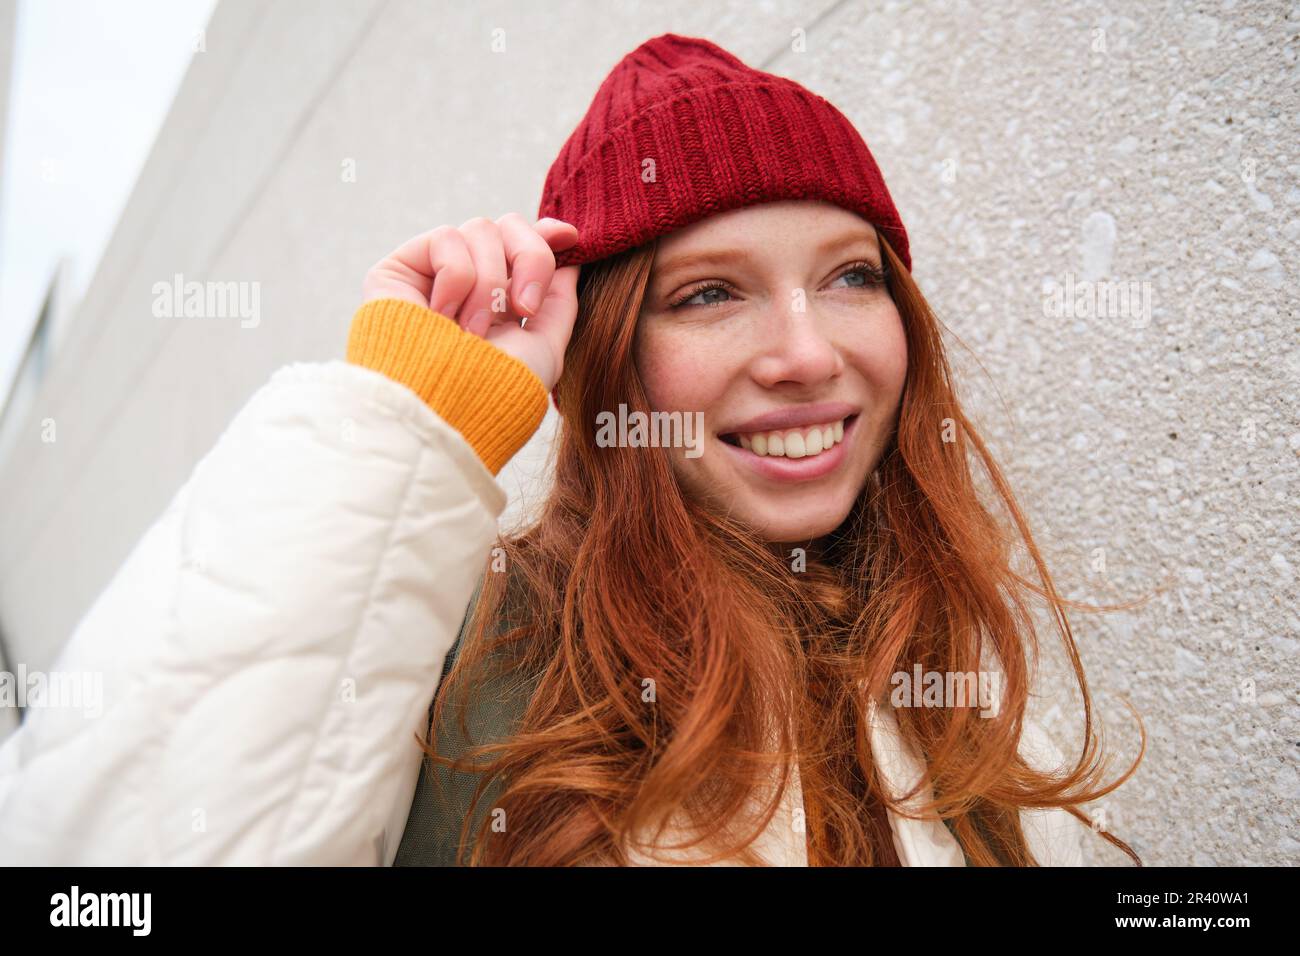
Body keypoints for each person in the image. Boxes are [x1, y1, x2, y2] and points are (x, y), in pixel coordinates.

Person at [0, 33, 1142, 866]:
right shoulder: (471, 645)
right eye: (706, 293)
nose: (806, 352)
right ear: (606, 357)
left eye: (850, 275)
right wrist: (412, 413)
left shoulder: (954, 667)